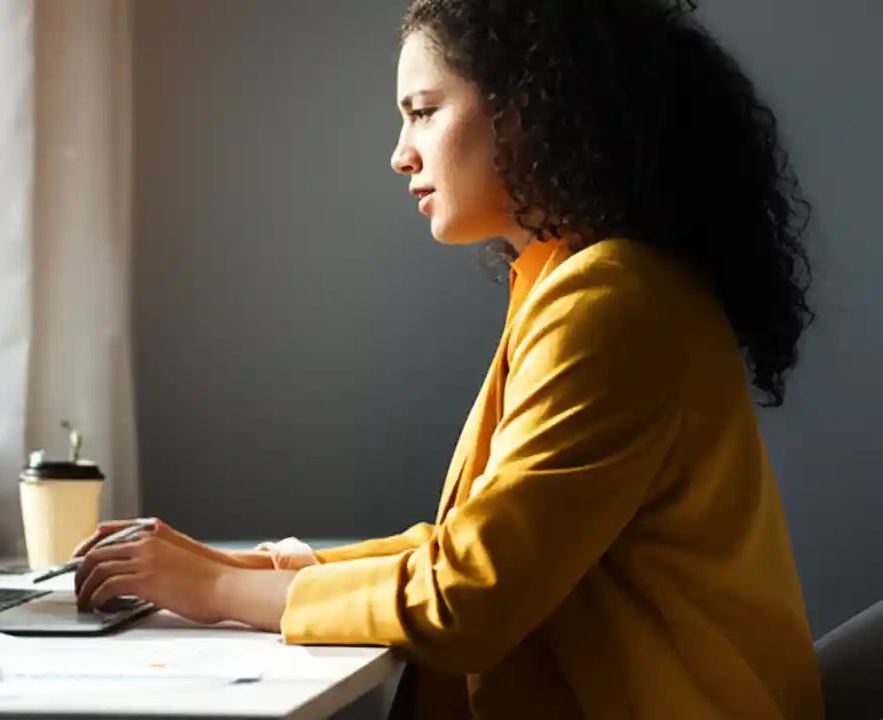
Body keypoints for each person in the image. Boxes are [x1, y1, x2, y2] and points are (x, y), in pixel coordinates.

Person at [72, 0, 823, 717]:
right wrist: (244, 570)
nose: (402, 155)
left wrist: (216, 589)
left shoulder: (615, 302)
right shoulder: (583, 283)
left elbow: (468, 596)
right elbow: (471, 546)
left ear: (529, 107)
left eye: (424, 111)